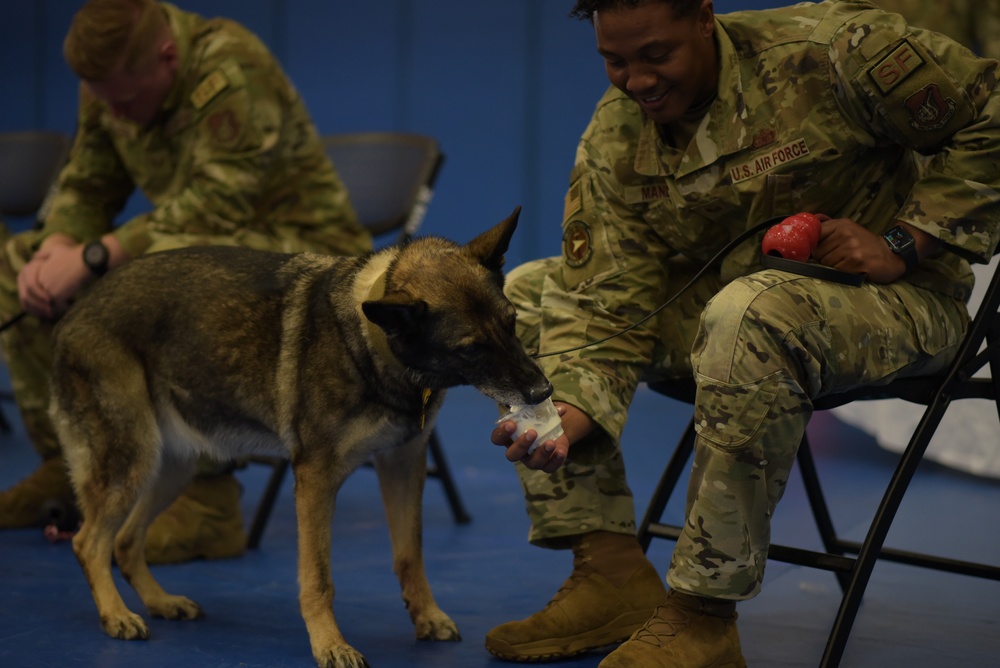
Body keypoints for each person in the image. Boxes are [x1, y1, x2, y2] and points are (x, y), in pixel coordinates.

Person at [484, 1, 1000, 666]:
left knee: (748, 310)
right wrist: (571, 408)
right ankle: (608, 571)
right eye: (615, 61)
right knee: (522, 296)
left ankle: (703, 617)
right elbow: (606, 299)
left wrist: (905, 241)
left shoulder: (836, 51)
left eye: (657, 55)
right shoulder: (617, 132)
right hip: (738, 314)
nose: (638, 81)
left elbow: (992, 113)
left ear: (704, 17)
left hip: (902, 303)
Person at [0, 0, 371, 564]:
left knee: (172, 276)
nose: (117, 113)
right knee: (20, 263)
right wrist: (57, 246)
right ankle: (67, 464)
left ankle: (208, 499)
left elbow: (219, 202)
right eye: (105, 102)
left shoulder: (230, 65)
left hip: (305, 256)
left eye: (126, 101)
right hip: (202, 241)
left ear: (168, 56)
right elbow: (88, 182)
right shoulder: (110, 81)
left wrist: (97, 255)